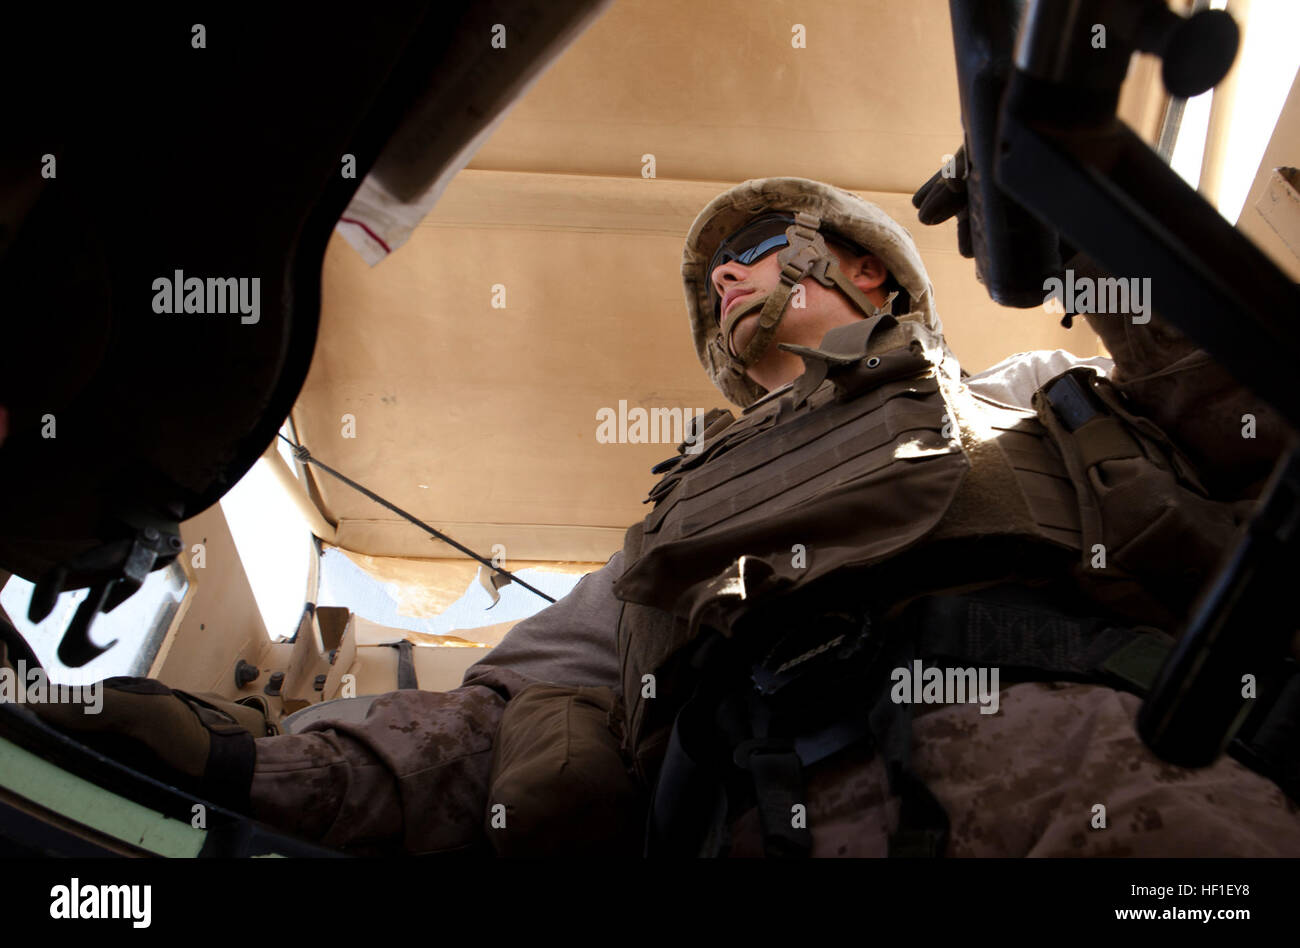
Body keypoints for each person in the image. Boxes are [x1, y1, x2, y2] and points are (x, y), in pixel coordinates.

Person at [31, 177, 1300, 857]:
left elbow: (1255, 420)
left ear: (861, 267)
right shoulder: (657, 547)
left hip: (1096, 765)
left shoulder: (1027, 393)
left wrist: (1080, 230)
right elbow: (485, 740)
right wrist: (249, 763)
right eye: (712, 282)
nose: (723, 276)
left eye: (752, 242)